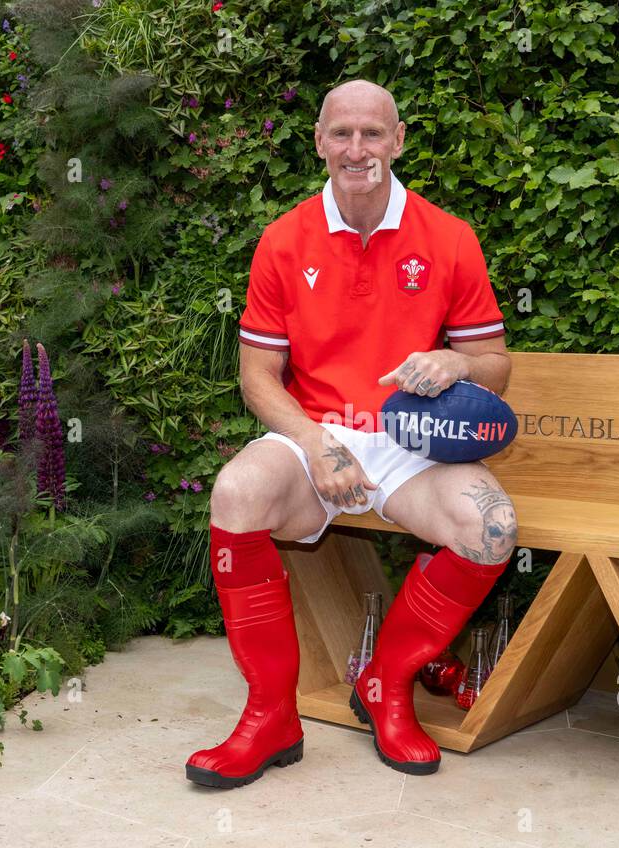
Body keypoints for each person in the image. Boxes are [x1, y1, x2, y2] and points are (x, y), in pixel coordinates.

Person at [185, 78, 517, 789]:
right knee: (236, 493)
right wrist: (314, 442)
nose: (357, 149)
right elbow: (257, 378)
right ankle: (271, 716)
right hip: (315, 433)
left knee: (492, 525)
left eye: (372, 133)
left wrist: (457, 362)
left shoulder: (449, 237)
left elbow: (496, 366)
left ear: (398, 141)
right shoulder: (283, 240)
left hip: (411, 440)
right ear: (319, 142)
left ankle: (386, 686)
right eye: (342, 133)